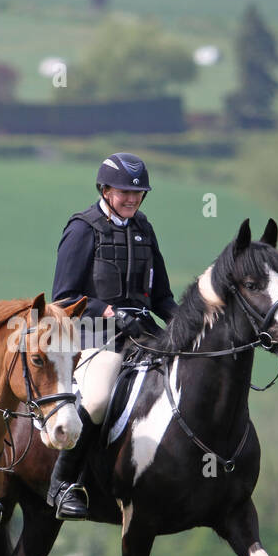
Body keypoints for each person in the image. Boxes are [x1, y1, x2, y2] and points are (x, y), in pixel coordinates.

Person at [48, 152, 178, 520]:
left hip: (142, 332)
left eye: (138, 194)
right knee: (100, 398)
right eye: (124, 192)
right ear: (105, 190)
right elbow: (64, 297)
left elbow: (163, 296)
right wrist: (110, 312)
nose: (132, 199)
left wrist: (189, 327)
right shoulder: (82, 228)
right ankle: (62, 484)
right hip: (96, 335)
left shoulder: (144, 229)